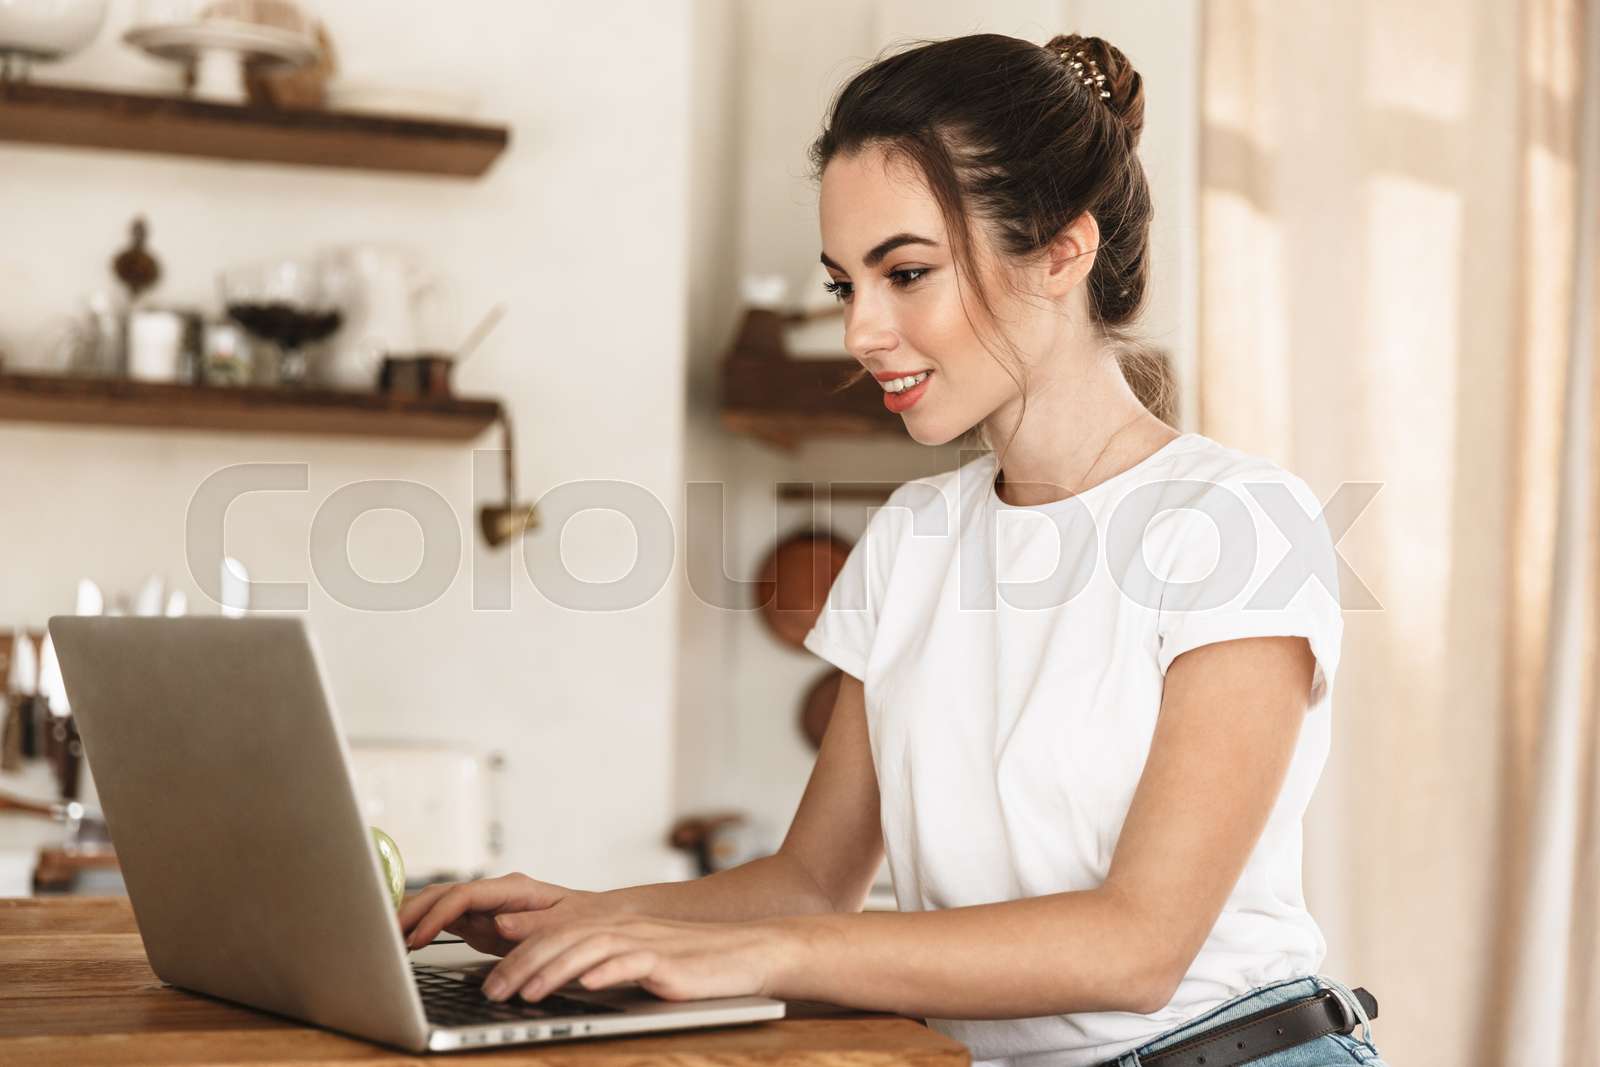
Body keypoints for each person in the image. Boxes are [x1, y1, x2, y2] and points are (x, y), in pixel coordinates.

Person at [398, 31, 1391, 1067]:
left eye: (905, 272)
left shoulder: (1236, 522)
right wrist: (579, 915)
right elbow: (809, 882)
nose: (861, 330)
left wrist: (767, 957)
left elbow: (1135, 945)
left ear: (1061, 251)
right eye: (842, 285)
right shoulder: (915, 536)